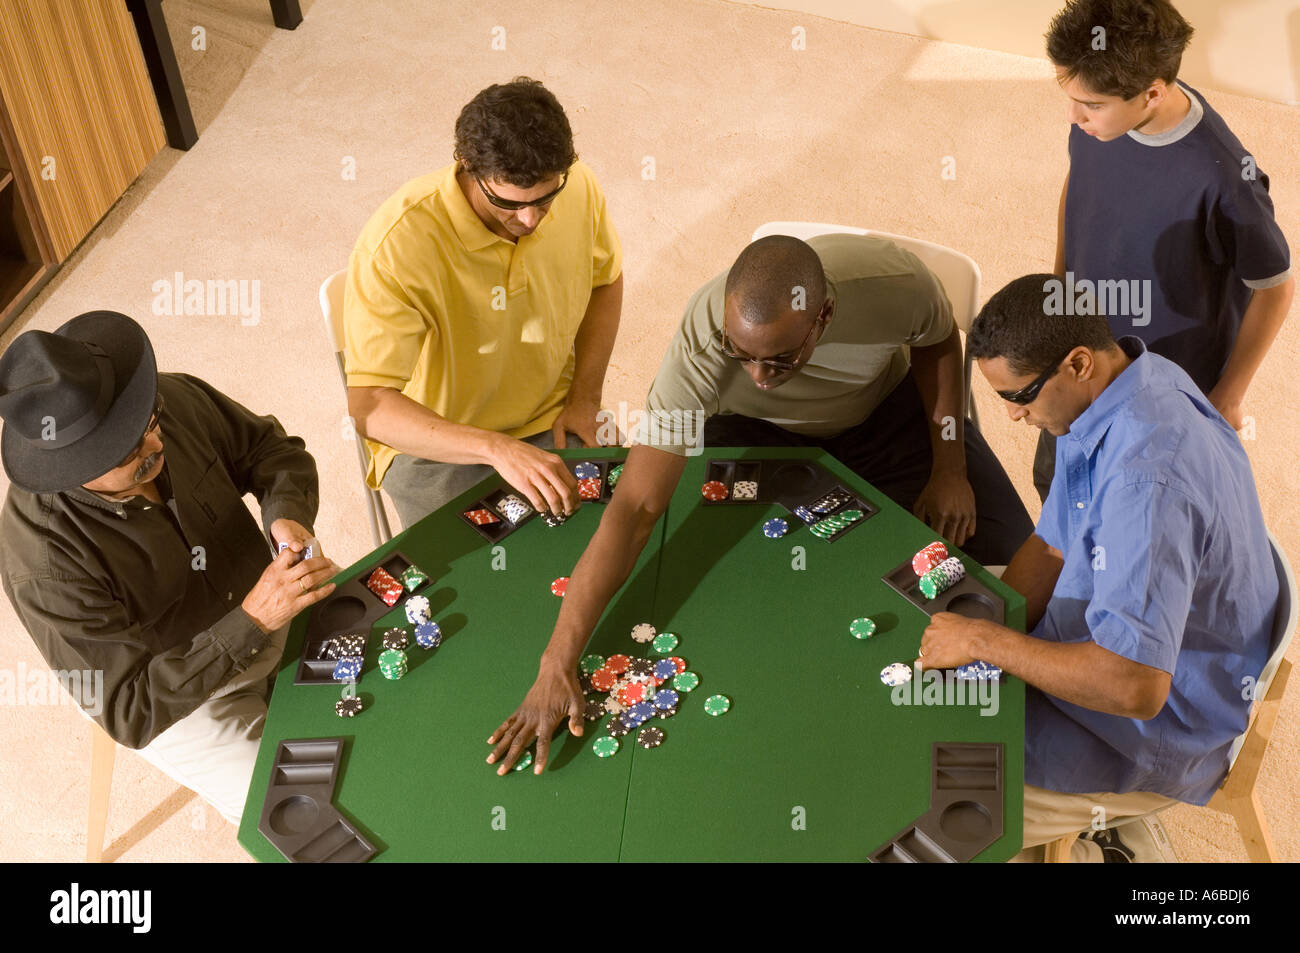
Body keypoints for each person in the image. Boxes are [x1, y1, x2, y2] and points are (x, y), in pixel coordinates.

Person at [486, 233, 1034, 773]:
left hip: (883, 417)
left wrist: (949, 468)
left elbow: (937, 343)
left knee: (1006, 563)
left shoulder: (895, 283)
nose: (758, 375)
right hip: (757, 433)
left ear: (823, 316)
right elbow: (634, 508)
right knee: (755, 582)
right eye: (740, 354)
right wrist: (557, 661)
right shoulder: (701, 347)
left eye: (779, 358)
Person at [920, 275, 1277, 859]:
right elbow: (1054, 542)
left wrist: (985, 641)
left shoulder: (1147, 482)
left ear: (1078, 363)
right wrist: (991, 624)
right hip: (1143, 652)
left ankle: (1095, 850)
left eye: (1019, 397)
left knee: (928, 806)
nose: (1013, 418)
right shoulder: (1132, 380)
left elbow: (1134, 686)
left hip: (1159, 724)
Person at [0, 311, 337, 823]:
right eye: (128, 450)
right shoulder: (44, 563)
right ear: (73, 471)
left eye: (147, 424)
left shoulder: (166, 404)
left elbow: (270, 450)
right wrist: (252, 621)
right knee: (305, 811)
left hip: (274, 598)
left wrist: (285, 513)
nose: (155, 445)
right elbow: (128, 708)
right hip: (189, 697)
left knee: (401, 687)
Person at [1036, 0, 1293, 501]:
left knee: (1136, 500)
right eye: (1069, 97)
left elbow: (1276, 287)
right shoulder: (1102, 115)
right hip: (1084, 339)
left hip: (1162, 373)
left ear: (1152, 93)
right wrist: (1061, 280)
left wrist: (1230, 396)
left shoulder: (1225, 179)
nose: (1073, 115)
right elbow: (1078, 179)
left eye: (1088, 105)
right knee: (1057, 480)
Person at [344, 76, 624, 528]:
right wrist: (496, 448)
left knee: (627, 534)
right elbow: (369, 407)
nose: (530, 218)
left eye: (546, 198)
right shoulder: (396, 244)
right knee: (479, 588)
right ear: (467, 165)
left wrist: (586, 397)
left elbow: (605, 281)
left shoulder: (580, 187)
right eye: (508, 203)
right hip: (437, 452)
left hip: (554, 415)